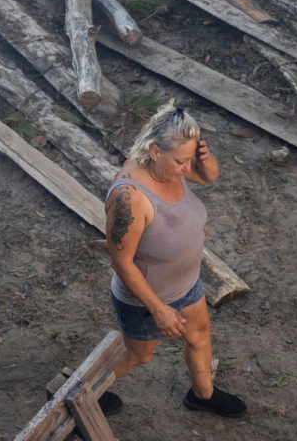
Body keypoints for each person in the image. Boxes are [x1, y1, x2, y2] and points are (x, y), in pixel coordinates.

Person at [99, 102, 246, 419]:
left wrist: (204, 160)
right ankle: (83, 390)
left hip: (187, 284)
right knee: (138, 355)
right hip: (147, 301)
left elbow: (209, 177)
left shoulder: (171, 165)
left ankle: (203, 395)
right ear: (154, 151)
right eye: (181, 161)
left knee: (199, 335)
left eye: (189, 159)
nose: (186, 169)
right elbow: (121, 262)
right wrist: (158, 309)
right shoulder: (129, 198)